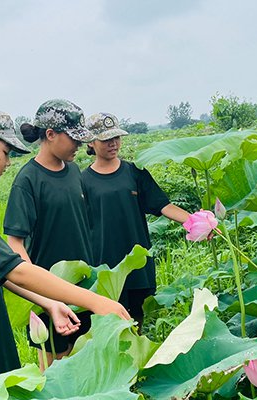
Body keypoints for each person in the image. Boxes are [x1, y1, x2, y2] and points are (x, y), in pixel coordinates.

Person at [0, 105, 129, 399]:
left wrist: (48, 302)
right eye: (5, 152)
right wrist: (96, 301)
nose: (8, 162)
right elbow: (15, 268)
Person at [3, 99, 96, 367]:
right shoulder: (28, 180)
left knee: (84, 365)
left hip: (83, 286)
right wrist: (41, 296)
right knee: (53, 374)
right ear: (50, 135)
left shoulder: (75, 172)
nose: (78, 145)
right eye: (73, 138)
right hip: (49, 292)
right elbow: (15, 243)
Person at [81, 112, 190, 330]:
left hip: (137, 261)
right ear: (91, 142)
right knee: (111, 325)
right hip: (105, 268)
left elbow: (163, 206)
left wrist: (197, 222)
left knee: (138, 322)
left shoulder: (134, 172)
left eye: (116, 138)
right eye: (106, 139)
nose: (113, 143)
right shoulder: (82, 181)